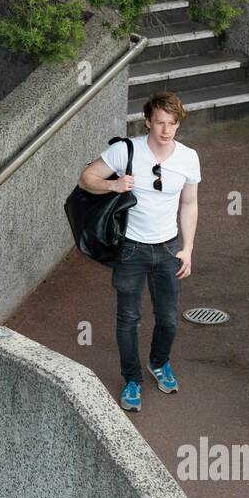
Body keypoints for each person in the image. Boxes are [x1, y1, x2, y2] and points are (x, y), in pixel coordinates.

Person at [76, 91, 200, 412]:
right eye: (160, 122)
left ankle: (159, 363)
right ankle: (132, 379)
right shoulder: (125, 150)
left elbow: (189, 203)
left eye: (172, 123)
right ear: (148, 121)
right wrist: (113, 185)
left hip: (168, 247)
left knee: (169, 318)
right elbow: (86, 178)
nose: (166, 130)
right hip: (130, 248)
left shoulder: (188, 158)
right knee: (128, 317)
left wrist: (187, 248)